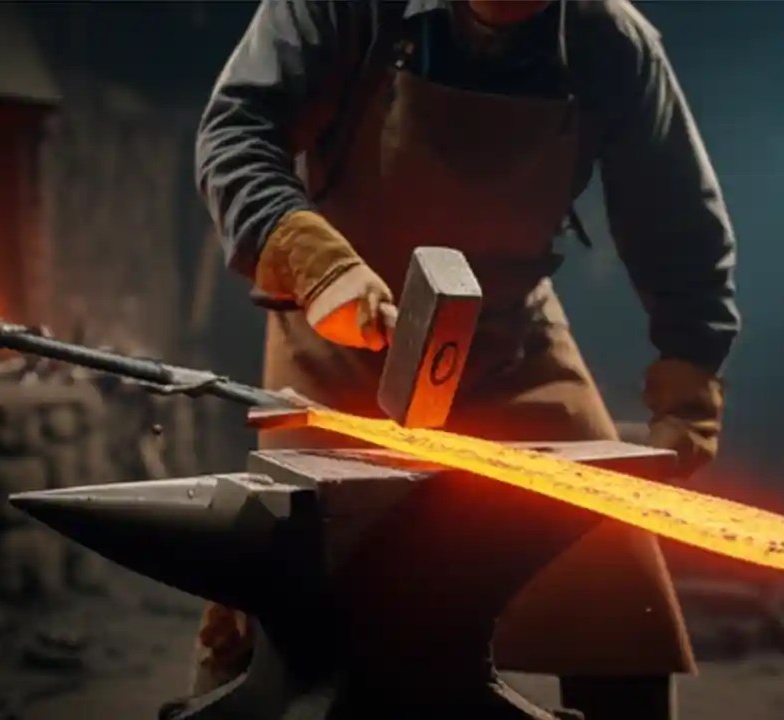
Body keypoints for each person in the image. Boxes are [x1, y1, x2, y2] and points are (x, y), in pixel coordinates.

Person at [190, 0, 740, 717]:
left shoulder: (611, 41)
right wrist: (312, 260)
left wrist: (689, 378)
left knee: (619, 599)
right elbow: (236, 133)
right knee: (280, 615)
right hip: (340, 338)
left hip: (512, 342)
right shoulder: (340, 9)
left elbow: (678, 219)